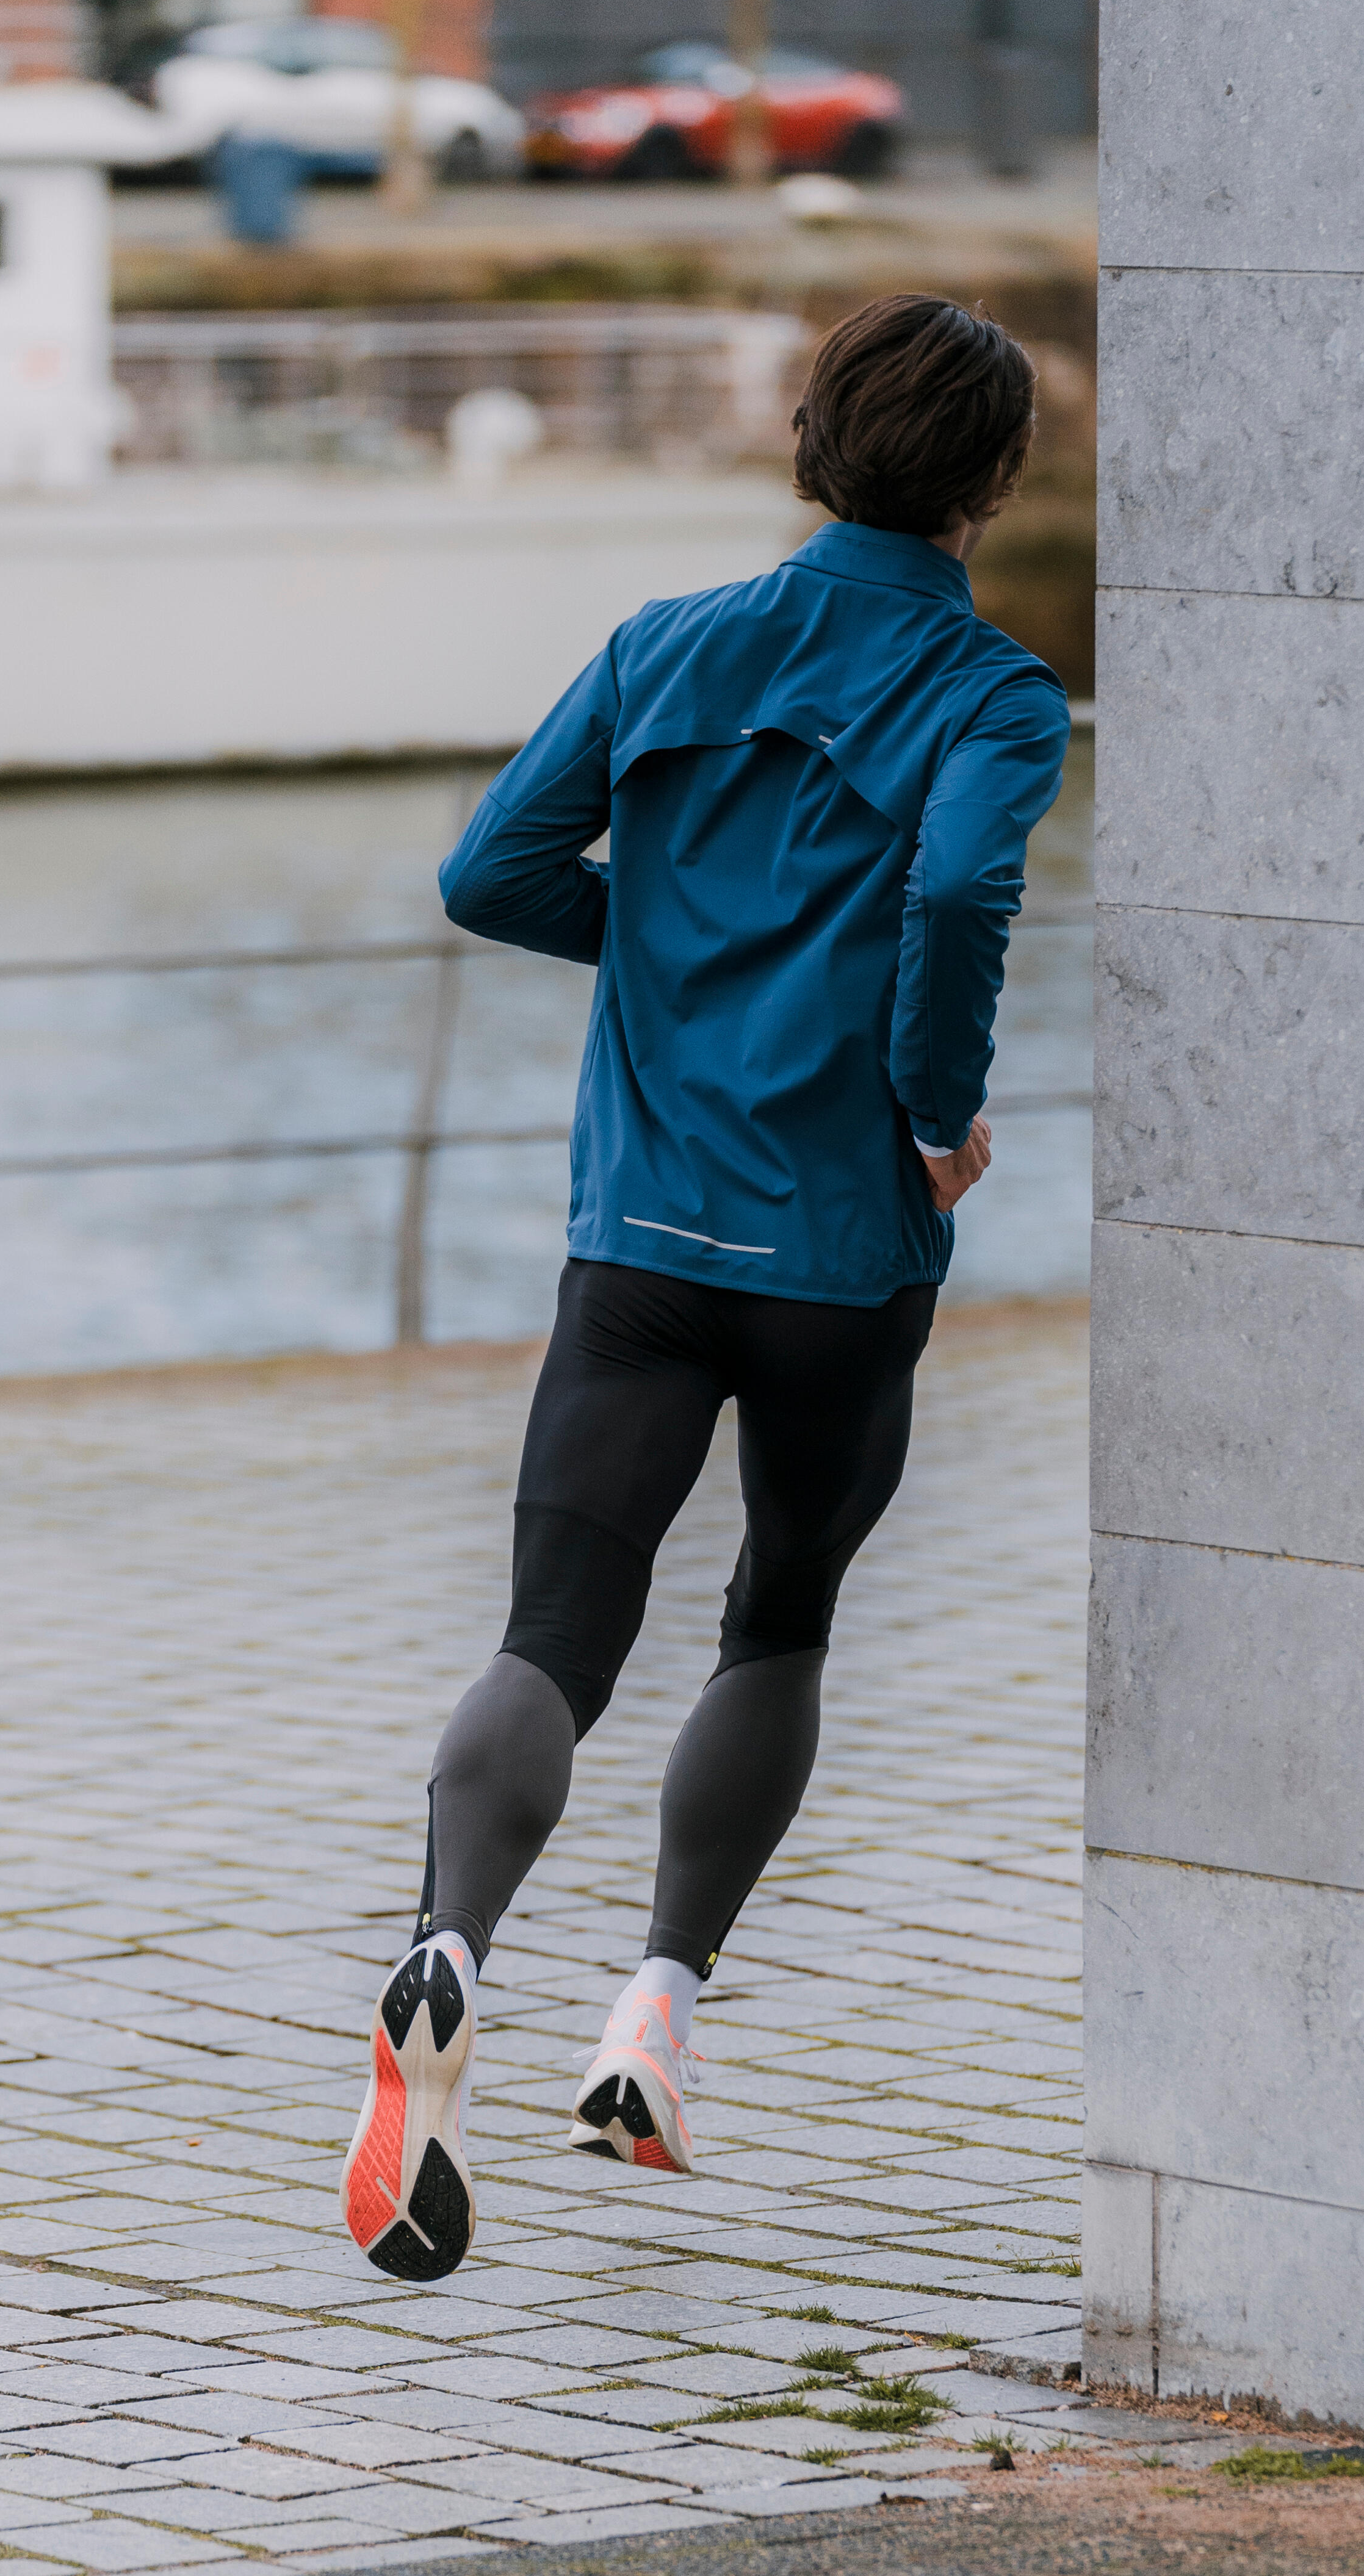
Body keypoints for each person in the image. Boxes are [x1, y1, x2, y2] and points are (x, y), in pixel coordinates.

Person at [341, 292, 1069, 2284]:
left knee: (560, 1623)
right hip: (841, 1257)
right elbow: (952, 896)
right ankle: (655, 2012)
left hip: (641, 1244)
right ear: (990, 487)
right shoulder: (997, 702)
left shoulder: (667, 646)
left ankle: (445, 1949)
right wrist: (929, 1099)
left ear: (809, 439)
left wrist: (667, 959)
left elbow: (493, 871)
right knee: (778, 1620)